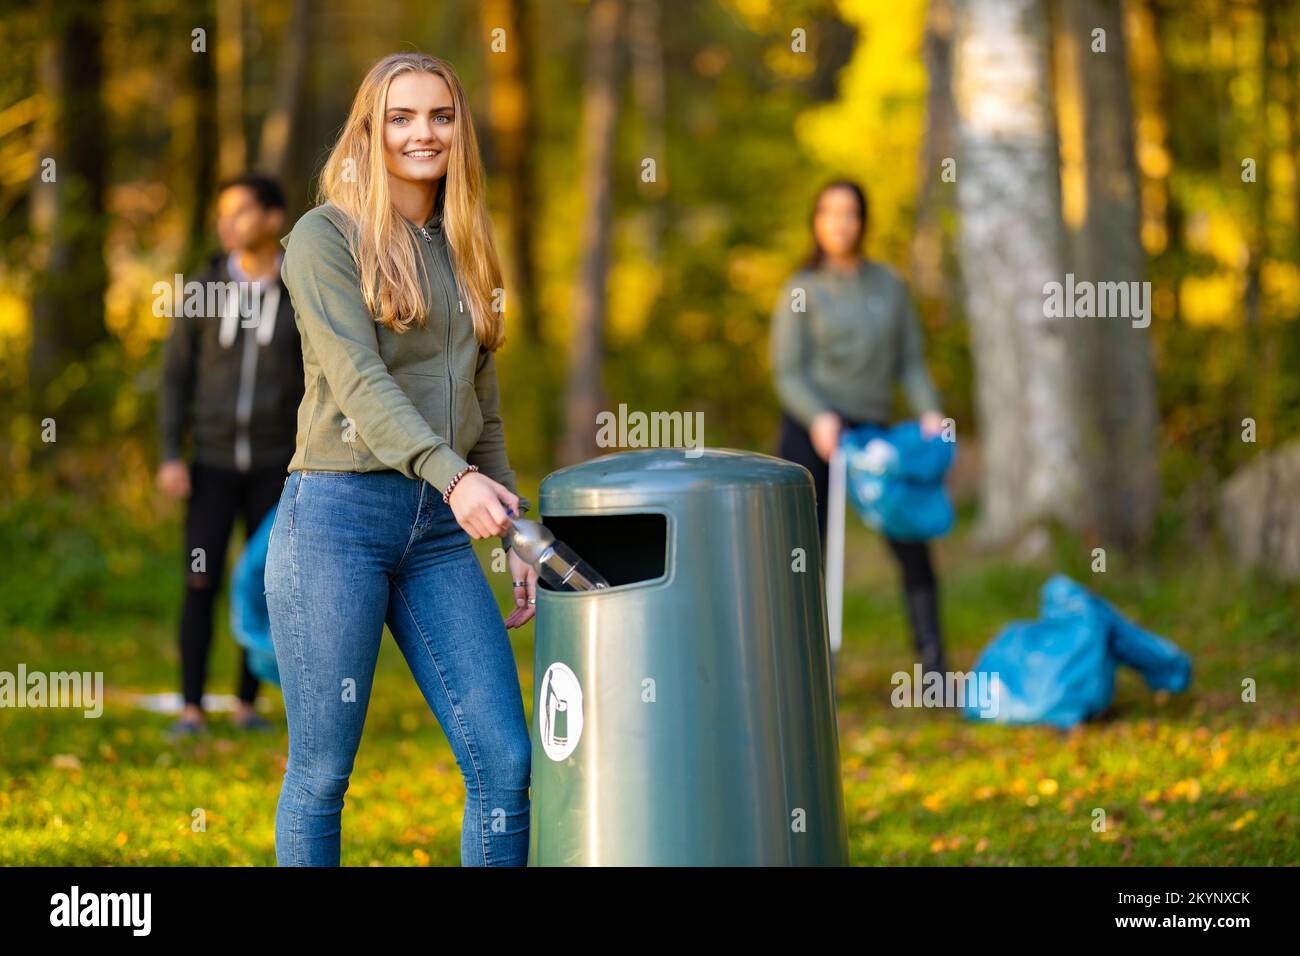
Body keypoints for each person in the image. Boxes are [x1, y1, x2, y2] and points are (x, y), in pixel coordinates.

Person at [265, 52, 535, 867]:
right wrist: (455, 479)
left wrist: (513, 524)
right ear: (370, 131)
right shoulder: (323, 238)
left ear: (461, 130)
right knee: (321, 772)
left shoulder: (464, 247)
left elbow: (480, 405)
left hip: (440, 533)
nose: (425, 133)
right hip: (336, 519)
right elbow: (359, 382)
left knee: (505, 760)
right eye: (402, 117)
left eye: (442, 116)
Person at [770, 179, 949, 678]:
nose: (839, 222)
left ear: (863, 221)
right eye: (828, 212)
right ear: (816, 221)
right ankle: (805, 669)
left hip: (873, 431)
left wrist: (931, 411)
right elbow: (788, 373)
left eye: (849, 213)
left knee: (909, 534)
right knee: (806, 551)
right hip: (813, 429)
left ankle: (932, 664)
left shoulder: (889, 286)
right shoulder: (800, 290)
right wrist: (821, 418)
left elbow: (910, 363)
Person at [157, 172, 303, 736]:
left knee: (265, 580)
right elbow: (175, 378)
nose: (227, 223)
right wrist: (172, 452)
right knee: (201, 579)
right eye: (223, 213)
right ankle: (191, 707)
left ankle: (247, 705)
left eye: (240, 211)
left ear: (272, 218)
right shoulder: (203, 289)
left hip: (278, 465)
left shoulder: (300, 289)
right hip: (210, 466)